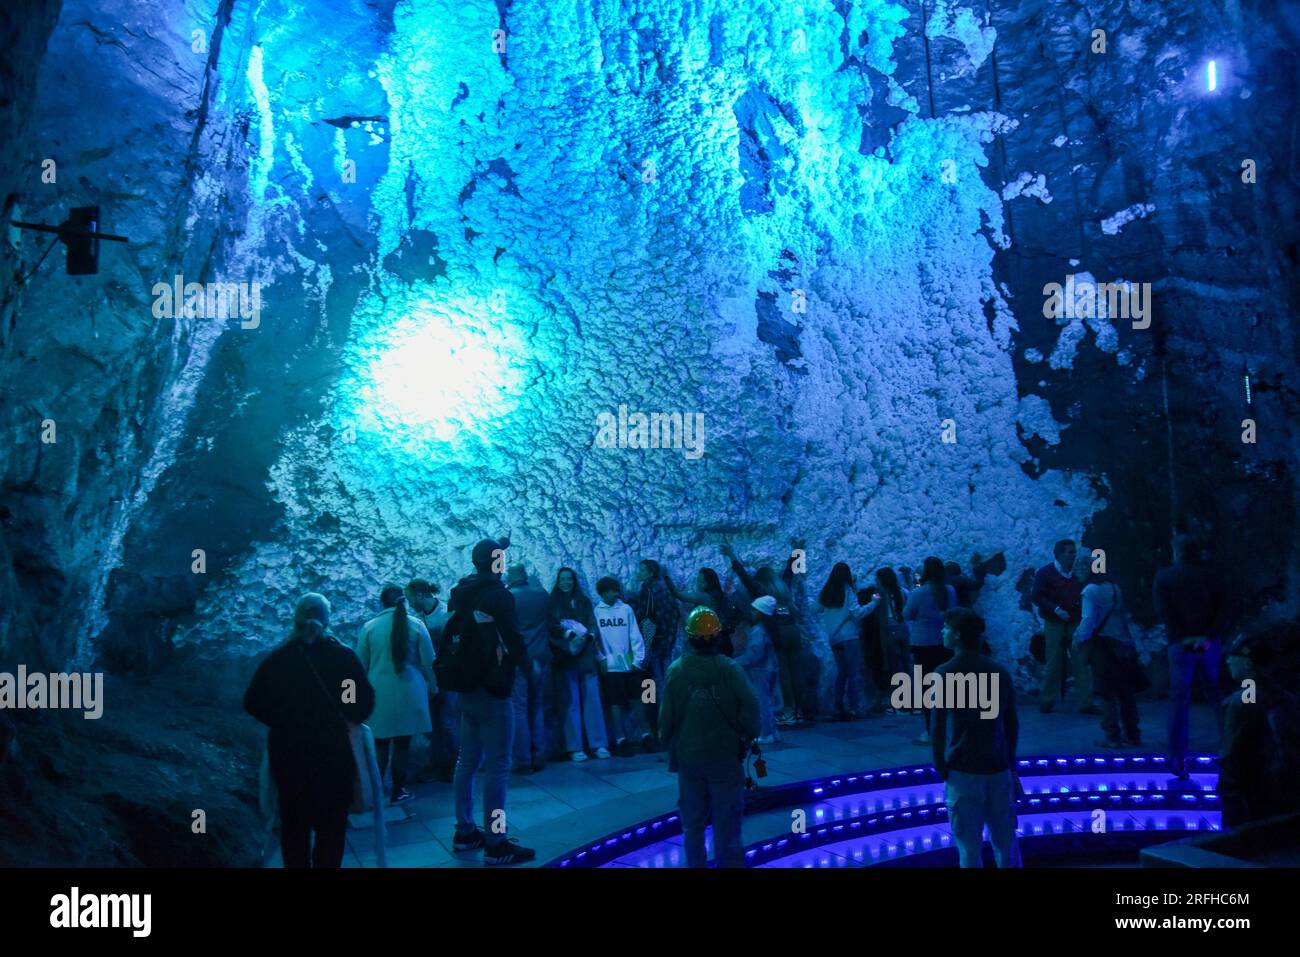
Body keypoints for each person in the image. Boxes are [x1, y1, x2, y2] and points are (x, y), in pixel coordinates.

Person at [244, 593, 375, 868]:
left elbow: (253, 701)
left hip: (289, 753)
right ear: (327, 621)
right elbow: (361, 704)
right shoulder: (343, 657)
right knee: (332, 826)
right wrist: (344, 714)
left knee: (294, 826)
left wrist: (282, 721)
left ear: (296, 619)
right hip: (332, 752)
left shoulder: (279, 659)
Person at [444, 537, 534, 864]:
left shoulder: (459, 592)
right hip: (494, 689)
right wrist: (526, 668)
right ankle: (496, 842)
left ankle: (465, 831)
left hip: (466, 687)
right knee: (498, 767)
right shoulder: (499, 595)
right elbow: (513, 638)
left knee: (466, 762)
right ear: (497, 563)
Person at [659, 606, 761, 868]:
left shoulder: (676, 671)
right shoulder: (730, 669)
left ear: (689, 637)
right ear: (717, 637)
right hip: (725, 756)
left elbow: (666, 718)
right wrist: (749, 734)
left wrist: (669, 743)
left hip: (689, 757)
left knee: (692, 825)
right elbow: (751, 704)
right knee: (727, 824)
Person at [932, 608, 1021, 868]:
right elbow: (1011, 723)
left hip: (963, 769)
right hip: (998, 767)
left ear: (957, 635)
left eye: (946, 628)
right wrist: (1011, 765)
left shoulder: (945, 673)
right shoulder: (999, 671)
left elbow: (937, 726)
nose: (942, 631)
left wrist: (940, 764)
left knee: (968, 848)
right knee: (1006, 844)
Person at [1154, 534, 1231, 780]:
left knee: (1179, 699)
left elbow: (1165, 613)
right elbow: (1225, 610)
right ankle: (1229, 748)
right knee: (1216, 694)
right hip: (1209, 644)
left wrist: (1182, 637)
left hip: (1180, 645)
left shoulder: (1164, 577)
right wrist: (1208, 636)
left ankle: (1177, 758)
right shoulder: (1214, 576)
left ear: (1177, 551)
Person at [356, 583, 435, 804]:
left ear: (382, 602)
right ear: (404, 601)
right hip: (410, 691)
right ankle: (397, 791)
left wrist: (351, 697)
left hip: (378, 692)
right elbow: (429, 662)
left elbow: (359, 664)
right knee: (402, 745)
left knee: (380, 744)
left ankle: (376, 792)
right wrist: (433, 686)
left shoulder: (370, 627)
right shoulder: (416, 625)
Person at [722, 543, 807, 724]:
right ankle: (801, 710)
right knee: (797, 671)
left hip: (779, 632)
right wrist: (797, 551)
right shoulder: (783, 587)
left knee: (784, 673)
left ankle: (789, 710)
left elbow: (745, 578)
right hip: (793, 630)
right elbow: (789, 571)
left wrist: (732, 556)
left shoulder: (762, 591)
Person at [1074, 567, 1143, 749]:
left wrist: (1079, 638)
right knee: (1125, 693)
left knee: (1106, 692)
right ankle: (1133, 734)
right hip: (1122, 645)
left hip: (1102, 646)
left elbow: (1088, 620)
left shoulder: (1089, 591)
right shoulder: (1114, 588)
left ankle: (1112, 736)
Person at [549, 567, 609, 762]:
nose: (566, 582)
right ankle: (575, 746)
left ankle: (598, 743)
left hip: (586, 656)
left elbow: (592, 624)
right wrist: (570, 636)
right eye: (563, 579)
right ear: (557, 581)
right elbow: (551, 626)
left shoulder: (583, 601)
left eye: (569, 579)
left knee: (593, 702)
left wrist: (587, 636)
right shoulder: (552, 603)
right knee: (570, 703)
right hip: (566, 657)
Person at [1030, 540, 1093, 714]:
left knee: (1081, 661)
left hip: (1076, 623)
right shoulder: (1045, 573)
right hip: (1054, 623)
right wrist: (1055, 609)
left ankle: (1086, 703)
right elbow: (1037, 596)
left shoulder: (1078, 572)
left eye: (1074, 552)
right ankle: (1047, 699)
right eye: (1070, 552)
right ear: (1059, 555)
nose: (1074, 555)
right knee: (1054, 662)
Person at [408, 579, 458, 784]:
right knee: (435, 724)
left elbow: (456, 646)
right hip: (430, 679)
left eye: (411, 598)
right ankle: (441, 767)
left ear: (420, 595)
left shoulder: (447, 613)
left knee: (448, 722)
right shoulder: (418, 618)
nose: (410, 603)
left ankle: (458, 765)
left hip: (448, 677)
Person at [903, 557, 958, 744]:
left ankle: (930, 731)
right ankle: (950, 731)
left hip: (922, 645)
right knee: (945, 689)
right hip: (944, 644)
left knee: (926, 690)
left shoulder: (919, 593)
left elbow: (906, 614)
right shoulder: (950, 591)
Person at [593, 577, 647, 755]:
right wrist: (601, 658)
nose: (615, 593)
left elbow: (635, 634)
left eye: (616, 590)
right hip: (610, 665)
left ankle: (646, 735)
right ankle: (620, 739)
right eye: (610, 590)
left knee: (638, 699)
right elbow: (596, 640)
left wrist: (637, 660)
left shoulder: (626, 609)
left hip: (629, 662)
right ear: (602, 593)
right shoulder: (597, 612)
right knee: (615, 703)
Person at [507, 564, 552, 774]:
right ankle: (540, 755)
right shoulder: (541, 594)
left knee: (519, 709)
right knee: (538, 705)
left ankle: (523, 760)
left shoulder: (509, 597)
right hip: (541, 655)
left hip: (519, 659)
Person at [632, 559, 680, 749]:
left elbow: (648, 619)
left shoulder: (648, 590)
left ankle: (660, 730)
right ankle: (669, 728)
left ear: (651, 572)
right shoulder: (664, 589)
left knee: (652, 686)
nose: (640, 572)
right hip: (665, 642)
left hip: (652, 644)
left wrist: (646, 647)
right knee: (663, 685)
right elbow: (672, 615)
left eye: (643, 569)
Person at [817, 562, 875, 720]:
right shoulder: (848, 591)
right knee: (854, 673)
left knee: (841, 674)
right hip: (849, 636)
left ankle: (838, 706)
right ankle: (855, 707)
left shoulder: (826, 592)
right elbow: (857, 612)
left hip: (834, 639)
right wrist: (873, 603)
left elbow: (815, 609)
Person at [734, 596, 780, 743]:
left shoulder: (759, 631)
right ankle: (771, 730)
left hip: (760, 671)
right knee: (767, 701)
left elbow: (754, 655)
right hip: (768, 669)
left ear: (761, 613)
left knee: (762, 702)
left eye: (755, 611)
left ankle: (765, 734)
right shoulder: (765, 630)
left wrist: (736, 662)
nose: (751, 613)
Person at [875, 567, 911, 711]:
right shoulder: (903, 592)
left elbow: (872, 606)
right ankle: (910, 700)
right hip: (903, 629)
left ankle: (898, 702)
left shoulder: (879, 595)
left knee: (895, 667)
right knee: (906, 665)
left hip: (890, 631)